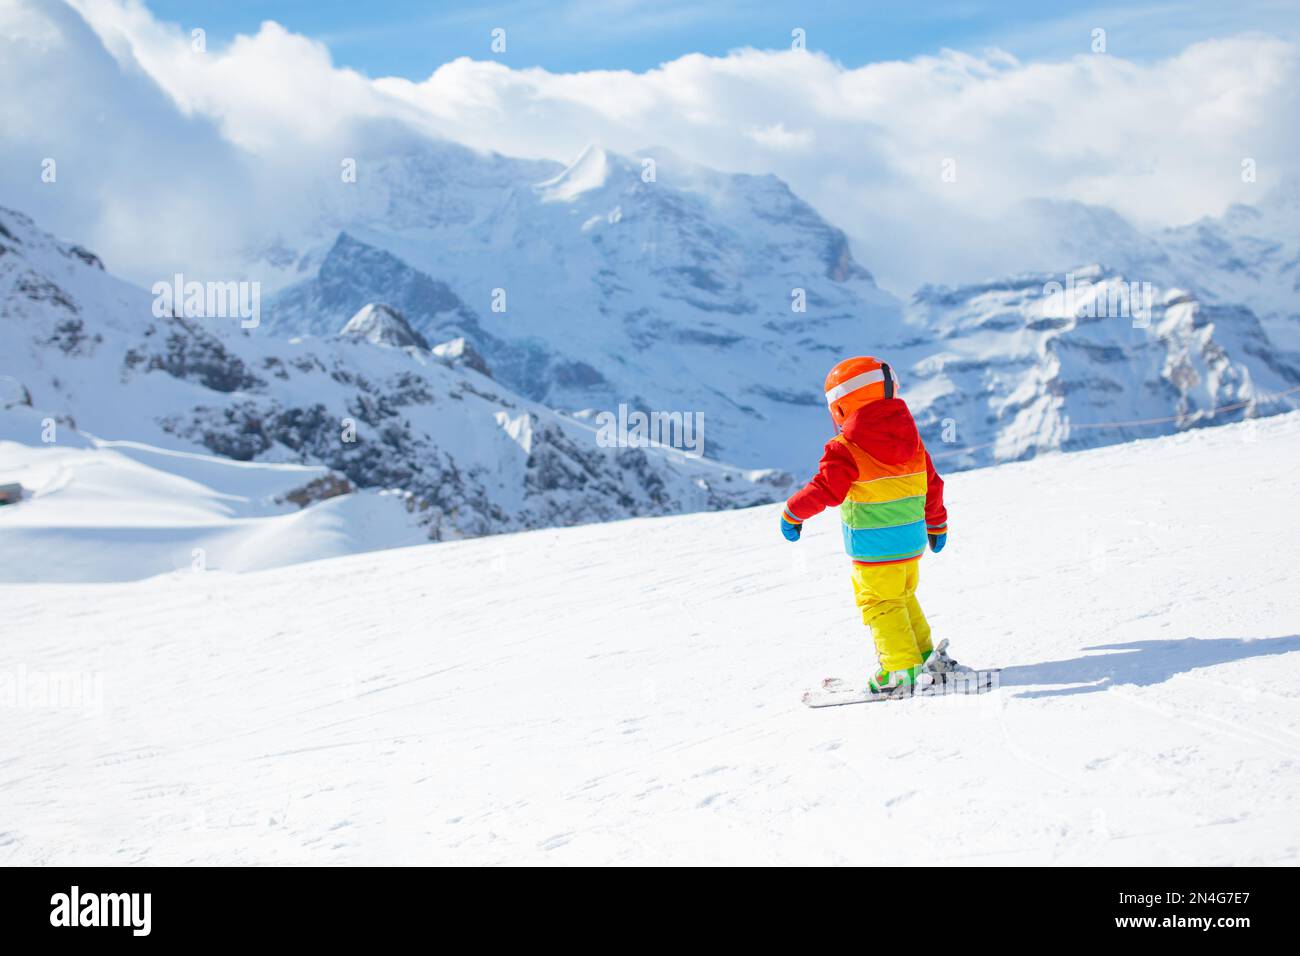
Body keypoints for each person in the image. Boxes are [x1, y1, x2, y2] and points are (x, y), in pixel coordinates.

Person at [780, 356, 954, 695]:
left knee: (881, 603)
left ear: (841, 408)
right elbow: (932, 484)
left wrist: (792, 512)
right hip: (911, 544)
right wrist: (937, 524)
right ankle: (923, 656)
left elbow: (826, 489)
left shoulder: (846, 448)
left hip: (875, 550)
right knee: (903, 597)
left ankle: (900, 670)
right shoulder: (913, 444)